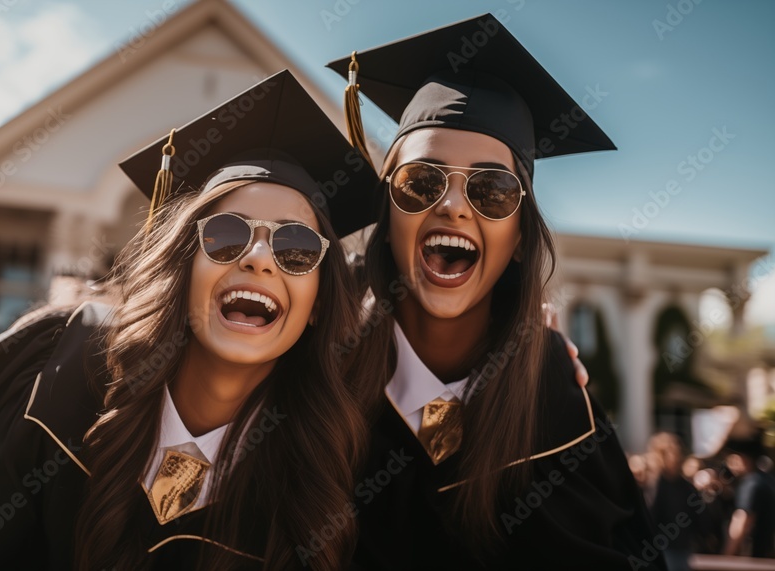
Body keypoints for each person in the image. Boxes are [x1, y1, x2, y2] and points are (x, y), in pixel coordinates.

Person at [0, 70, 380, 570]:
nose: (259, 258)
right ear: (181, 269)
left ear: (318, 305)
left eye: (298, 248)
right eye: (227, 235)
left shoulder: (314, 481)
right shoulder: (44, 376)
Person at [327, 14, 663, 569]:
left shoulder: (550, 390)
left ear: (521, 237)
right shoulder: (327, 371)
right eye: (420, 183)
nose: (454, 205)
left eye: (492, 189)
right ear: (386, 213)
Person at [647, 433, 699, 571]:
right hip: (660, 548)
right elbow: (650, 517)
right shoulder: (654, 484)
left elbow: (697, 516)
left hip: (682, 547)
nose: (675, 458)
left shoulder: (686, 487)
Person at [723, 438, 775, 558]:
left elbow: (742, 519)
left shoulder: (750, 484)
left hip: (754, 557)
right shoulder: (767, 480)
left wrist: (726, 555)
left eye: (732, 458)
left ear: (742, 459)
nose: (729, 464)